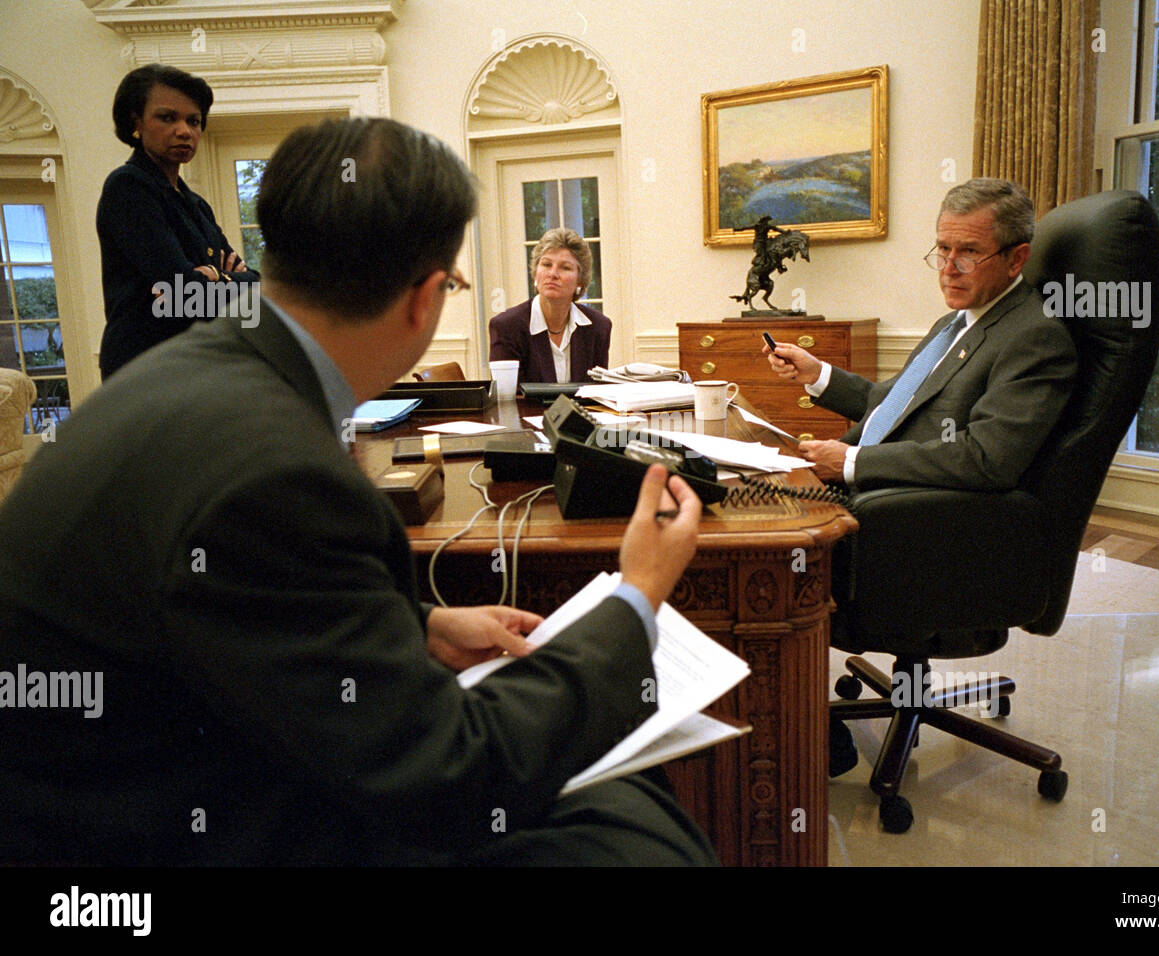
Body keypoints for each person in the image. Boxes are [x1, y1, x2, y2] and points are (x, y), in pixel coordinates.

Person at [0, 117, 714, 866]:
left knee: (615, 779)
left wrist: (417, 625)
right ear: (425, 298)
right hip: (140, 841)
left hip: (145, 766)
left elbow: (244, 601)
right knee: (637, 834)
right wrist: (637, 595)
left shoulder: (200, 367)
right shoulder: (278, 473)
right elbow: (455, 776)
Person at [764, 178, 1077, 775]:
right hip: (891, 501)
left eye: (967, 252)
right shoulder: (955, 323)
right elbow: (894, 403)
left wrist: (851, 462)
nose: (948, 267)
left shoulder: (1035, 337)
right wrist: (818, 374)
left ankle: (803, 729)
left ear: (1017, 257)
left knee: (776, 565)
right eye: (941, 249)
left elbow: (988, 458)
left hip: (935, 535)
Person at [96, 64, 258, 380]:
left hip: (198, 364)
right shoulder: (128, 186)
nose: (184, 130)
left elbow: (254, 294)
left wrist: (214, 279)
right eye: (168, 117)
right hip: (146, 369)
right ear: (135, 122)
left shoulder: (196, 205)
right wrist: (221, 277)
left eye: (194, 121)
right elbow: (185, 296)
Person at [488, 227, 611, 383]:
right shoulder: (506, 327)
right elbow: (507, 399)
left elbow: (598, 394)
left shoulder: (599, 327)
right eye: (546, 264)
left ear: (580, 281)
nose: (552, 274)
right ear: (535, 273)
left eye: (565, 267)